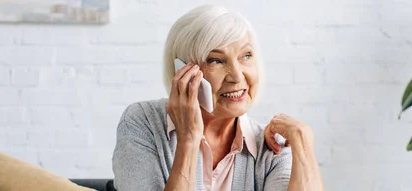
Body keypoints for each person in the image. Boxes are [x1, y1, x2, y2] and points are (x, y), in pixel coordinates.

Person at [112, 4, 325, 191]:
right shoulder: (142, 123)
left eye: (246, 56)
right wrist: (188, 140)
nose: (237, 76)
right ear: (182, 71)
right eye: (216, 60)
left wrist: (302, 141)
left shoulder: (270, 146)